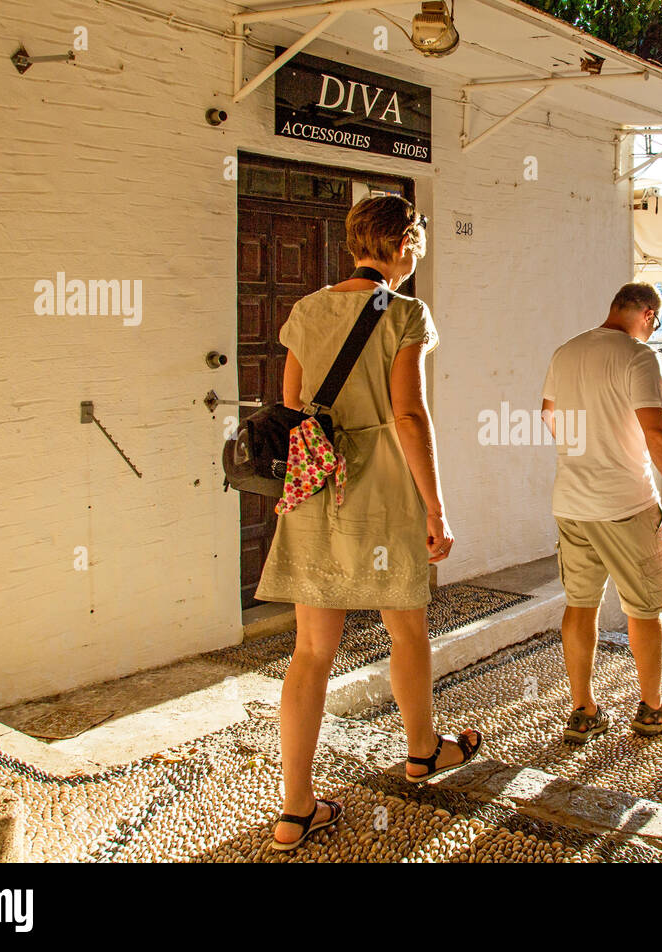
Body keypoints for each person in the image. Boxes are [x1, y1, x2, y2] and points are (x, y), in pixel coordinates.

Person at [255, 196, 481, 852]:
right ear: (404, 243)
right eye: (418, 242)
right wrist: (436, 508)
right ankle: (422, 750)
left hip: (316, 481)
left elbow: (296, 407)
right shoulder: (405, 312)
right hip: (381, 484)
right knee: (406, 630)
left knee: (311, 652)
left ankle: (295, 809)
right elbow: (409, 414)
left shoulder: (307, 309)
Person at [540, 282, 662, 744]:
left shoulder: (566, 353)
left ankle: (583, 710)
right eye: (657, 322)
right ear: (647, 314)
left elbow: (548, 416)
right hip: (626, 503)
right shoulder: (638, 357)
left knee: (579, 605)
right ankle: (650, 708)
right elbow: (656, 431)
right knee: (645, 608)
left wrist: (583, 453)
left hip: (572, 503)